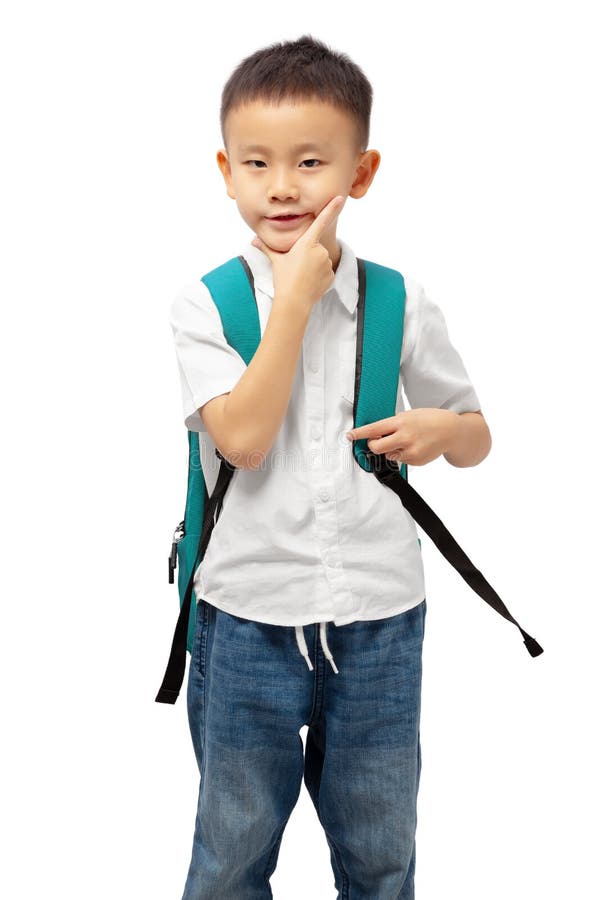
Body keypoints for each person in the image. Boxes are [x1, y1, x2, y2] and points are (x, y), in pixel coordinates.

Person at [168, 33, 491, 900]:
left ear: (362, 171)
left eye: (310, 161)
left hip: (381, 618)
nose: (281, 186)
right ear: (226, 170)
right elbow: (242, 438)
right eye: (257, 162)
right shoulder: (209, 303)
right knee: (232, 850)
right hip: (246, 620)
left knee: (382, 848)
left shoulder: (398, 298)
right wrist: (298, 301)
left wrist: (439, 430)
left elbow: (477, 433)